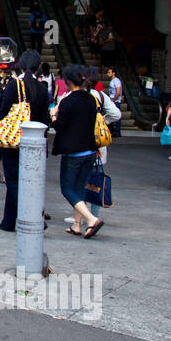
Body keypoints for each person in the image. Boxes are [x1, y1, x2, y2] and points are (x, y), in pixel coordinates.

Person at [0, 49, 51, 232]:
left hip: (13, 139)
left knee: (13, 180)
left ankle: (31, 215)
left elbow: (3, 112)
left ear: (20, 65)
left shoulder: (13, 86)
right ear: (38, 67)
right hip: (35, 141)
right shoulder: (42, 89)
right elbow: (45, 119)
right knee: (29, 181)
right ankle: (10, 221)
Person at [50, 64, 105, 238]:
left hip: (73, 152)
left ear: (67, 81)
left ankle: (91, 219)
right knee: (80, 188)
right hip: (90, 150)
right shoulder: (91, 99)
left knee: (67, 189)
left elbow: (59, 126)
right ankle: (77, 224)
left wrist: (53, 114)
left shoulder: (68, 101)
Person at [104, 67, 124, 136]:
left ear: (113, 73)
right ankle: (111, 131)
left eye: (109, 72)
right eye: (108, 72)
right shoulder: (112, 81)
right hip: (113, 100)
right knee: (111, 115)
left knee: (115, 115)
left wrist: (114, 100)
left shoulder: (116, 81)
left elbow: (118, 92)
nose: (108, 74)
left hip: (115, 101)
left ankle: (117, 132)